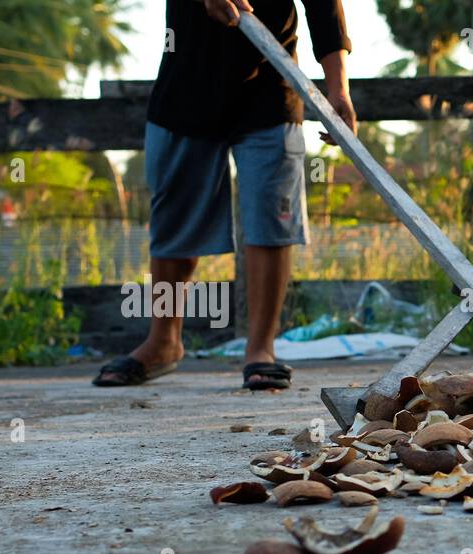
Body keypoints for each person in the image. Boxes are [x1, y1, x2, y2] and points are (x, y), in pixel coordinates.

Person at [94, 0, 356, 390]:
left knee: (271, 219)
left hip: (270, 86)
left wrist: (338, 88)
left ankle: (261, 349)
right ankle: (163, 341)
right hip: (187, 83)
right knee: (175, 218)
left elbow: (324, 7)